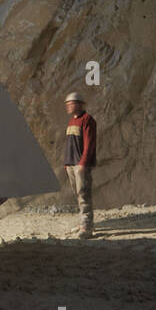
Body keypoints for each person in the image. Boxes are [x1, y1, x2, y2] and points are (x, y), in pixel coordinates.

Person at [63, 92, 96, 238]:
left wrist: (83, 163)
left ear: (78, 104)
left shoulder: (87, 120)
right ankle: (82, 222)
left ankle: (87, 227)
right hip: (71, 164)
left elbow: (89, 144)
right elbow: (70, 144)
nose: (67, 106)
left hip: (80, 165)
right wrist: (67, 163)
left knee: (84, 194)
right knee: (78, 194)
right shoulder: (71, 121)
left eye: (69, 104)